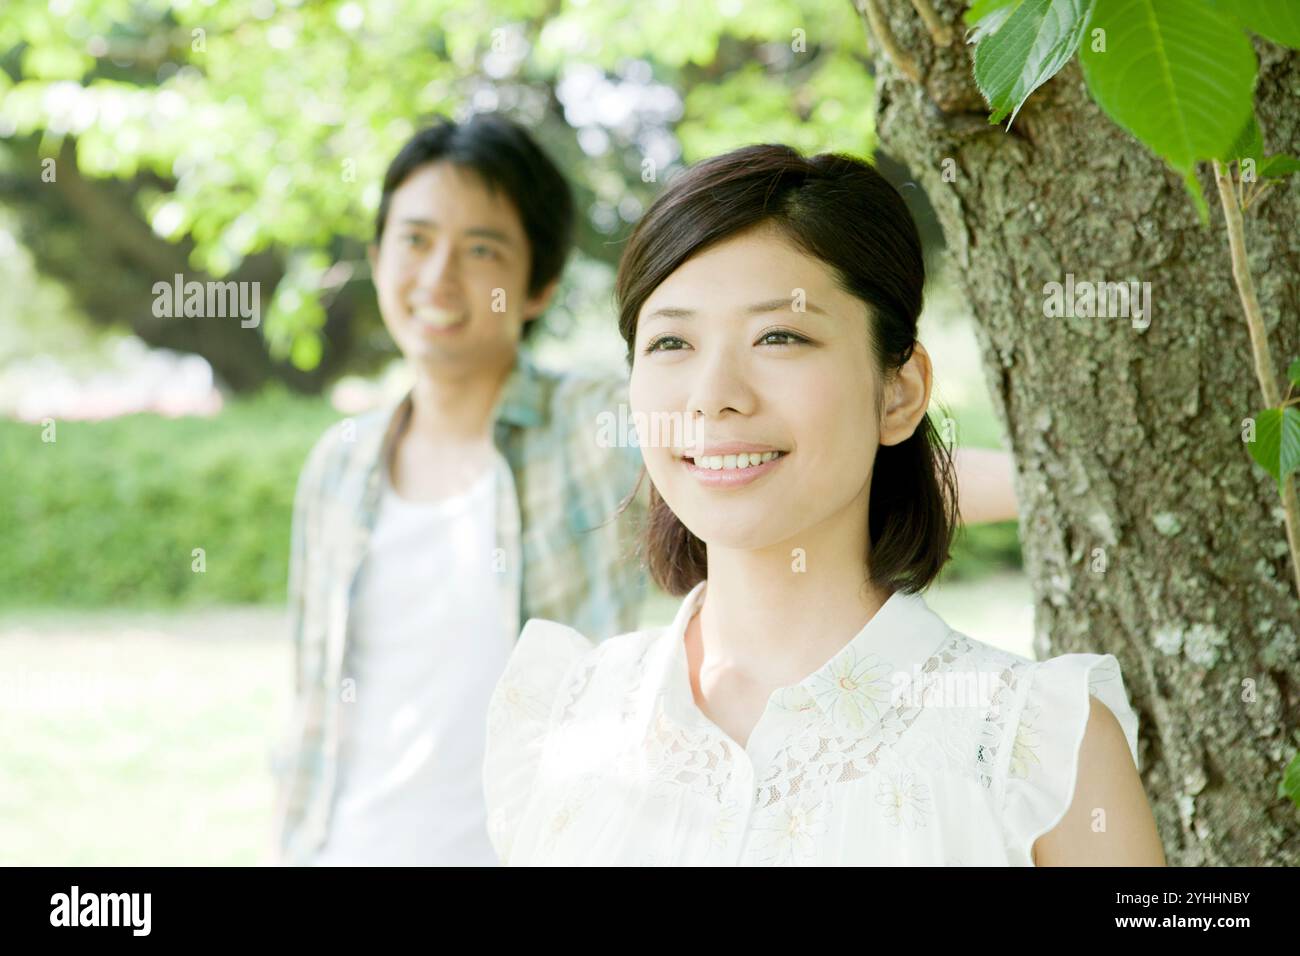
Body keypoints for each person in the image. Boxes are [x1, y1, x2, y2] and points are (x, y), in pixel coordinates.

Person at [481, 143, 1165, 866]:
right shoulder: (564, 710)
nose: (714, 395)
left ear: (899, 392)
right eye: (672, 341)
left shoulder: (1041, 745)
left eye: (780, 336)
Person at [268, 115, 646, 866]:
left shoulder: (597, 424)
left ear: (538, 285)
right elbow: (311, 705)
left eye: (481, 249)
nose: (437, 276)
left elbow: (802, 458)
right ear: (378, 259)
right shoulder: (337, 467)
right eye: (414, 240)